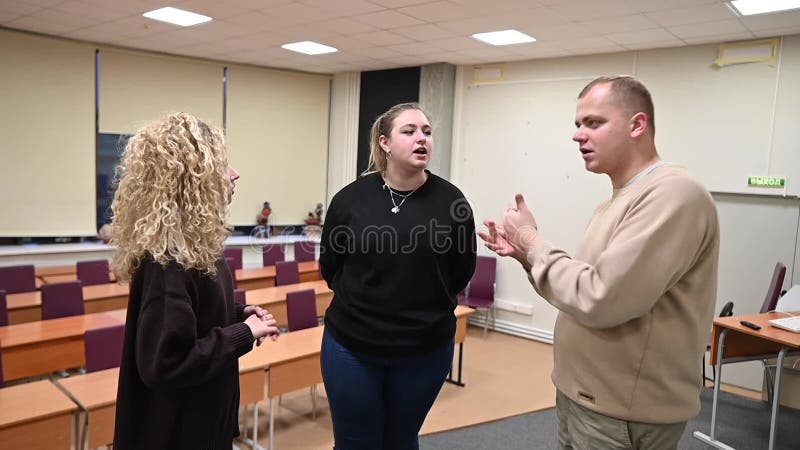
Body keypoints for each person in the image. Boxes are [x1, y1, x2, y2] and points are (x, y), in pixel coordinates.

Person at [479, 76, 720, 449]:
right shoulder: (616, 200)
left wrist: (531, 239)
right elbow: (579, 291)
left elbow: (600, 298)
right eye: (578, 125)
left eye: (593, 123)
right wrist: (528, 256)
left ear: (637, 125)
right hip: (588, 400)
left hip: (622, 413)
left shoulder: (673, 194)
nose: (578, 135)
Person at [110, 112, 280, 450]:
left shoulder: (195, 247)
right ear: (191, 178)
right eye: (222, 166)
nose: (235, 174)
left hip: (202, 419)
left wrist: (239, 314)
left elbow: (196, 316)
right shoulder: (168, 261)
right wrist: (243, 334)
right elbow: (166, 364)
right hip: (176, 433)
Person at [320, 102, 476, 449]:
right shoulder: (350, 200)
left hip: (424, 348)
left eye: (427, 132)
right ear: (385, 142)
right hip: (352, 347)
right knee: (355, 441)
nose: (422, 139)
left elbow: (460, 273)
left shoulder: (453, 203)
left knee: (400, 440)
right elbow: (331, 267)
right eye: (409, 131)